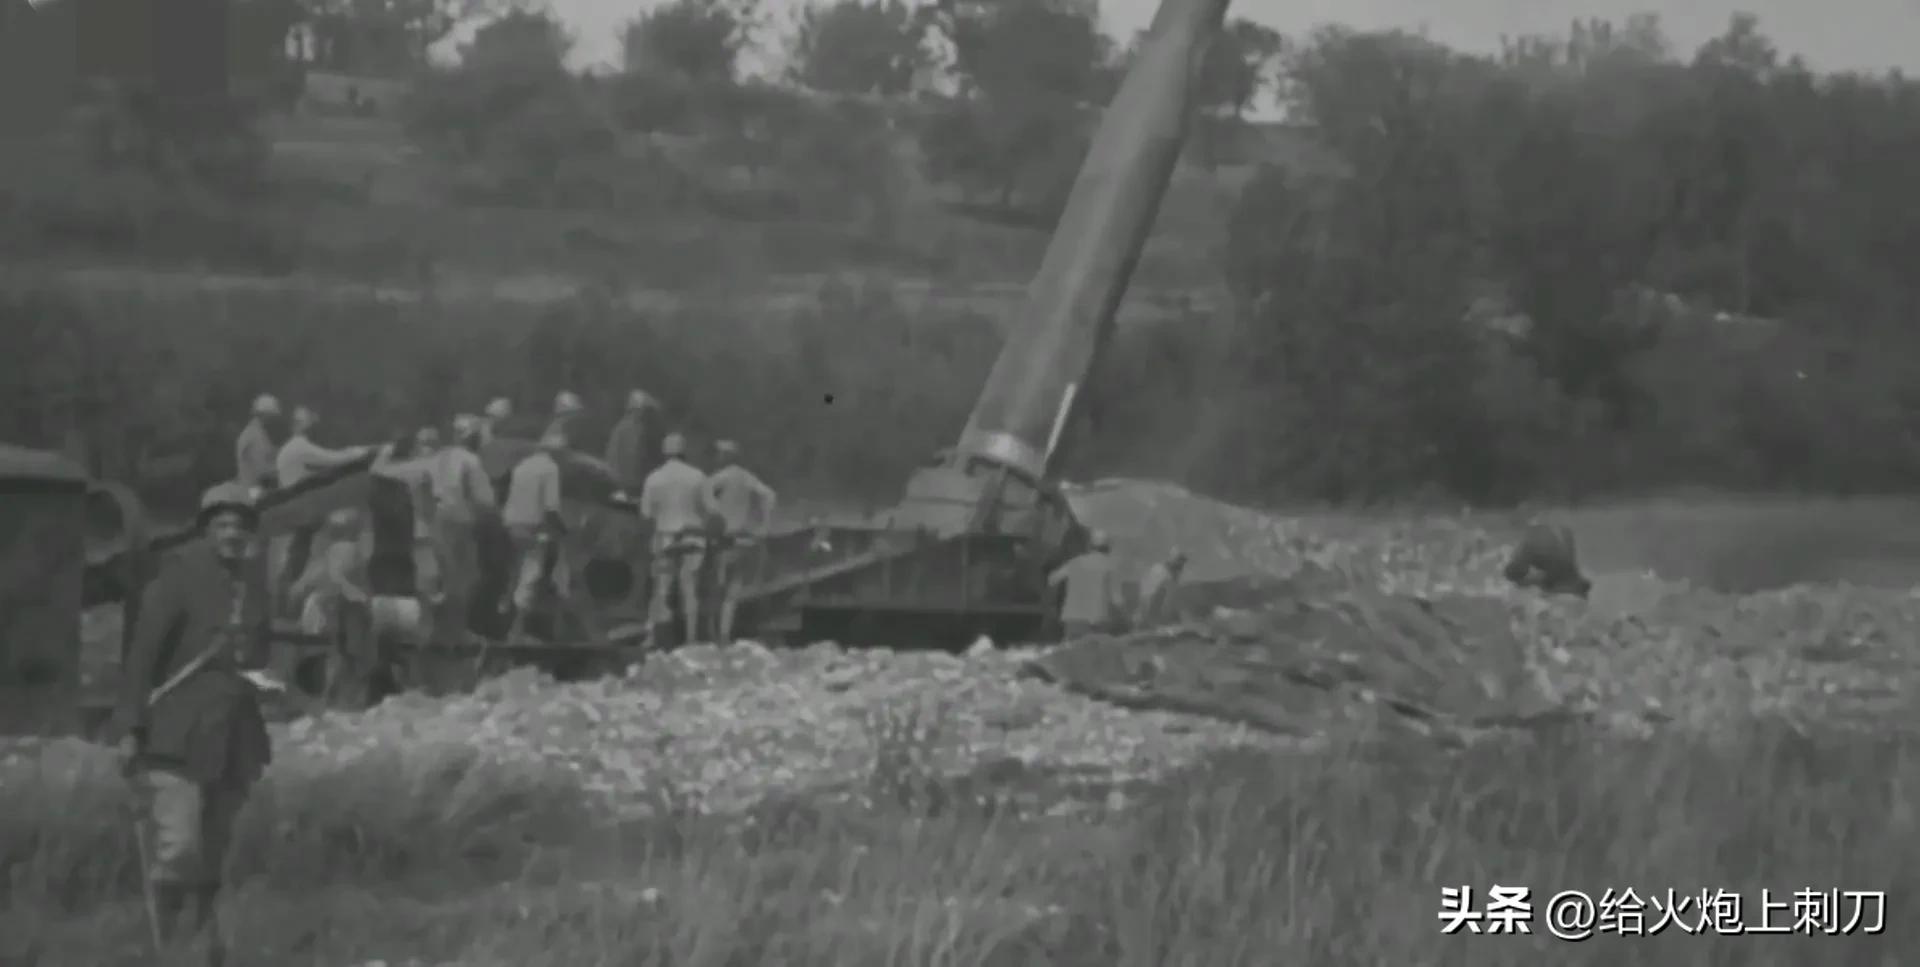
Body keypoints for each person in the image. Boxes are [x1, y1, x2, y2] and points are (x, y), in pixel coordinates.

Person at [111, 481, 275, 966]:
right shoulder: (178, 576)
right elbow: (142, 655)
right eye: (222, 525)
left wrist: (263, 678)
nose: (232, 534)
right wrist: (130, 726)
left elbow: (257, 654)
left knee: (215, 854)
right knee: (179, 848)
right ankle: (166, 943)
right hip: (175, 733)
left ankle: (200, 948)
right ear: (205, 530)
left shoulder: (253, 586)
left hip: (234, 739)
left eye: (240, 527)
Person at [272, 406, 368, 615]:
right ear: (299, 424)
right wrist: (359, 452)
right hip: (301, 512)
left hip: (292, 509)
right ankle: (295, 605)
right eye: (308, 422)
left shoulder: (288, 449)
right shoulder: (300, 447)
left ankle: (287, 605)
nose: (313, 426)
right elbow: (333, 459)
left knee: (297, 556)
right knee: (305, 556)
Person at [289, 508, 373, 703]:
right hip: (339, 609)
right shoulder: (348, 551)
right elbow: (342, 579)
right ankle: (340, 694)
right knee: (347, 655)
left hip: (330, 609)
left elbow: (306, 583)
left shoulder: (331, 554)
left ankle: (334, 694)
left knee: (338, 654)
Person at [426, 414, 497, 639]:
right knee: (466, 577)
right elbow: (485, 500)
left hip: (436, 519)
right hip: (461, 521)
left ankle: (437, 627)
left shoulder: (438, 457)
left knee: (442, 575)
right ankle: (458, 629)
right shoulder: (471, 460)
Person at [700, 439, 777, 642]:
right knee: (733, 591)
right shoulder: (746, 477)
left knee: (716, 586)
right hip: (744, 538)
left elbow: (703, 493)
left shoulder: (721, 477)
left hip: (724, 538)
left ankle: (711, 633)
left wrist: (714, 512)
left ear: (723, 457)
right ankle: (725, 634)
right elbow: (770, 495)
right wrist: (764, 524)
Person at [640, 432, 708, 645]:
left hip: (665, 537)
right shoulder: (698, 476)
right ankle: (691, 639)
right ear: (684, 451)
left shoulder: (653, 478)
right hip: (693, 537)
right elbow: (710, 509)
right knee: (690, 588)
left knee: (662, 589)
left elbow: (646, 514)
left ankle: (657, 637)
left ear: (664, 452)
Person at [501, 428, 569, 642]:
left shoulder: (523, 465)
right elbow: (551, 508)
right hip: (532, 529)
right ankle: (517, 630)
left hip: (511, 525)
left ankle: (504, 620)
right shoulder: (550, 468)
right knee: (532, 575)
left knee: (514, 574)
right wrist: (564, 530)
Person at [1048, 530, 1124, 638]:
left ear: (1090, 547)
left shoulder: (1076, 562)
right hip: (1098, 620)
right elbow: (1116, 598)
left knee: (1072, 647)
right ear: (1108, 548)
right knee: (1096, 648)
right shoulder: (1111, 566)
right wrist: (1124, 615)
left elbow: (1052, 579)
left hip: (1073, 618)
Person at [1503, 517, 1593, 598]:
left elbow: (1566, 557)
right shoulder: (1527, 556)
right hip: (1553, 551)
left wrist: (1567, 539)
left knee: (1549, 581)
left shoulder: (1527, 551)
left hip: (1552, 548)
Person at [604, 389, 661, 495]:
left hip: (632, 482)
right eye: (642, 410)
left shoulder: (637, 428)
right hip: (625, 483)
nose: (643, 414)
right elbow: (616, 455)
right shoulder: (626, 428)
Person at [234, 394, 281, 497]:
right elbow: (262, 470)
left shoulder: (255, 432)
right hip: (254, 493)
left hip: (251, 489)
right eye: (272, 416)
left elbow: (268, 455)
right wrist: (281, 469)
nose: (273, 420)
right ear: (265, 414)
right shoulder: (254, 436)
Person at [1134, 549, 1188, 628]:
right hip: (1152, 612)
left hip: (1149, 611)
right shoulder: (1164, 575)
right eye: (1180, 564)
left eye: (1182, 564)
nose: (1182, 568)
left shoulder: (1163, 571)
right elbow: (1154, 596)